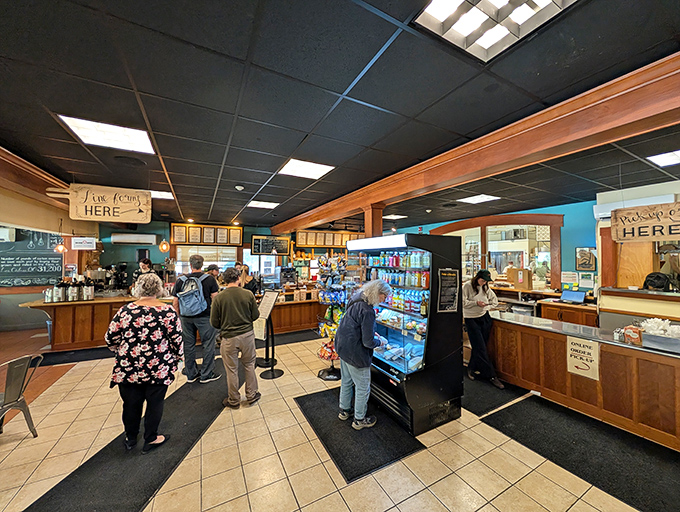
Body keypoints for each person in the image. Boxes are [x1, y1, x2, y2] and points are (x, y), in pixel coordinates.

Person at [105, 273, 182, 453]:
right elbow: (177, 340)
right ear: (159, 288)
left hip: (128, 366)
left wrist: (120, 349)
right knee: (155, 403)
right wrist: (177, 358)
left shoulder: (125, 310)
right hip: (158, 366)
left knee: (130, 404)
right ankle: (151, 437)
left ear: (138, 288)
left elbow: (110, 337)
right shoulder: (168, 311)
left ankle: (130, 438)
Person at [335, 279, 392, 430]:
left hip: (343, 346)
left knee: (346, 381)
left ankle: (344, 411)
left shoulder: (357, 296)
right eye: (384, 296)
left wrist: (372, 332)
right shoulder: (368, 310)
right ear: (377, 293)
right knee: (362, 387)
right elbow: (367, 342)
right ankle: (359, 420)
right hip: (356, 353)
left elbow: (355, 323)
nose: (385, 300)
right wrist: (381, 343)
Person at [211, 267, 261, 409]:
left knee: (231, 369)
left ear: (224, 280)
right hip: (247, 335)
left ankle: (234, 400)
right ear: (239, 278)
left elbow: (214, 322)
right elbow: (255, 315)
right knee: (250, 364)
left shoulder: (219, 297)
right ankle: (251, 395)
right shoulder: (248, 294)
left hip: (228, 338)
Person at [172, 254, 221, 384]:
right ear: (202, 265)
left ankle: (191, 374)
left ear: (190, 265)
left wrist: (178, 317)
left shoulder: (180, 280)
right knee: (208, 345)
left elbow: (175, 302)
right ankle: (206, 374)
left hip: (186, 317)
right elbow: (215, 299)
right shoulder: (209, 279)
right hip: (205, 317)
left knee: (188, 345)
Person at [463, 269, 504, 389]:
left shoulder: (486, 287)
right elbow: (463, 302)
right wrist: (476, 303)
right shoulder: (467, 286)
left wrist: (487, 307)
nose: (484, 283)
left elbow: (494, 301)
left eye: (486, 281)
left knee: (480, 346)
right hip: (471, 318)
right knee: (480, 347)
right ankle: (491, 376)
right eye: (482, 280)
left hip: (484, 317)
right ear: (477, 278)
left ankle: (471, 367)